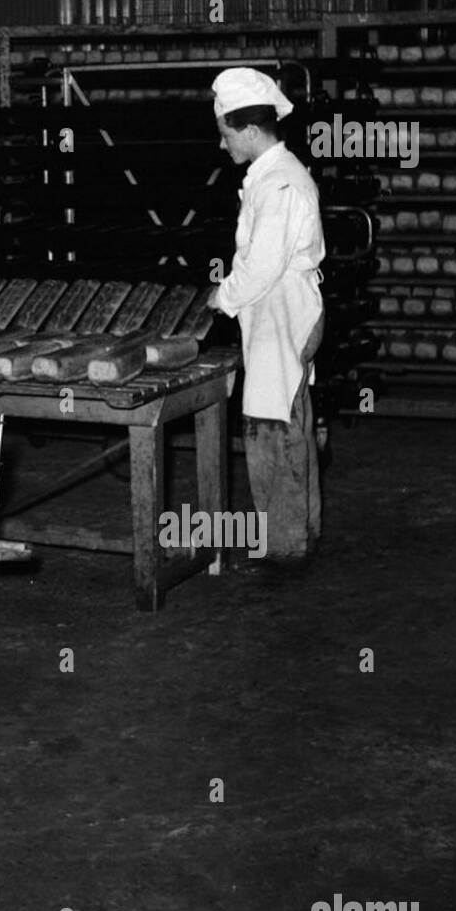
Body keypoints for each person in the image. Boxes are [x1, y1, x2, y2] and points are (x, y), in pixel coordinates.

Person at [207, 67, 325, 569]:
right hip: (275, 312)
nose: (222, 145)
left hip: (282, 313)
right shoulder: (270, 176)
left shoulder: (279, 184)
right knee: (283, 420)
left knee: (273, 425)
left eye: (226, 134)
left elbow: (262, 265)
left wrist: (222, 296)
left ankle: (285, 545)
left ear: (251, 130)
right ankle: (296, 533)